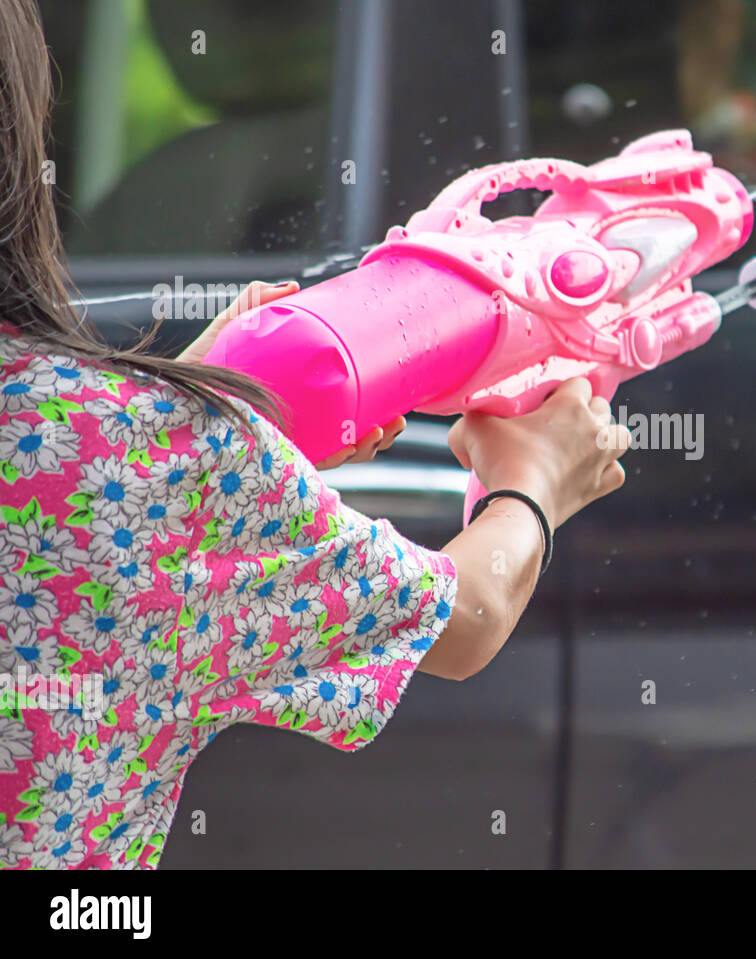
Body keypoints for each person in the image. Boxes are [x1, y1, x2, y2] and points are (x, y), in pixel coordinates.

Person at [0, 0, 630, 868]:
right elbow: (466, 619)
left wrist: (196, 416)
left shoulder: (148, 452)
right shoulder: (134, 454)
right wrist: (539, 479)